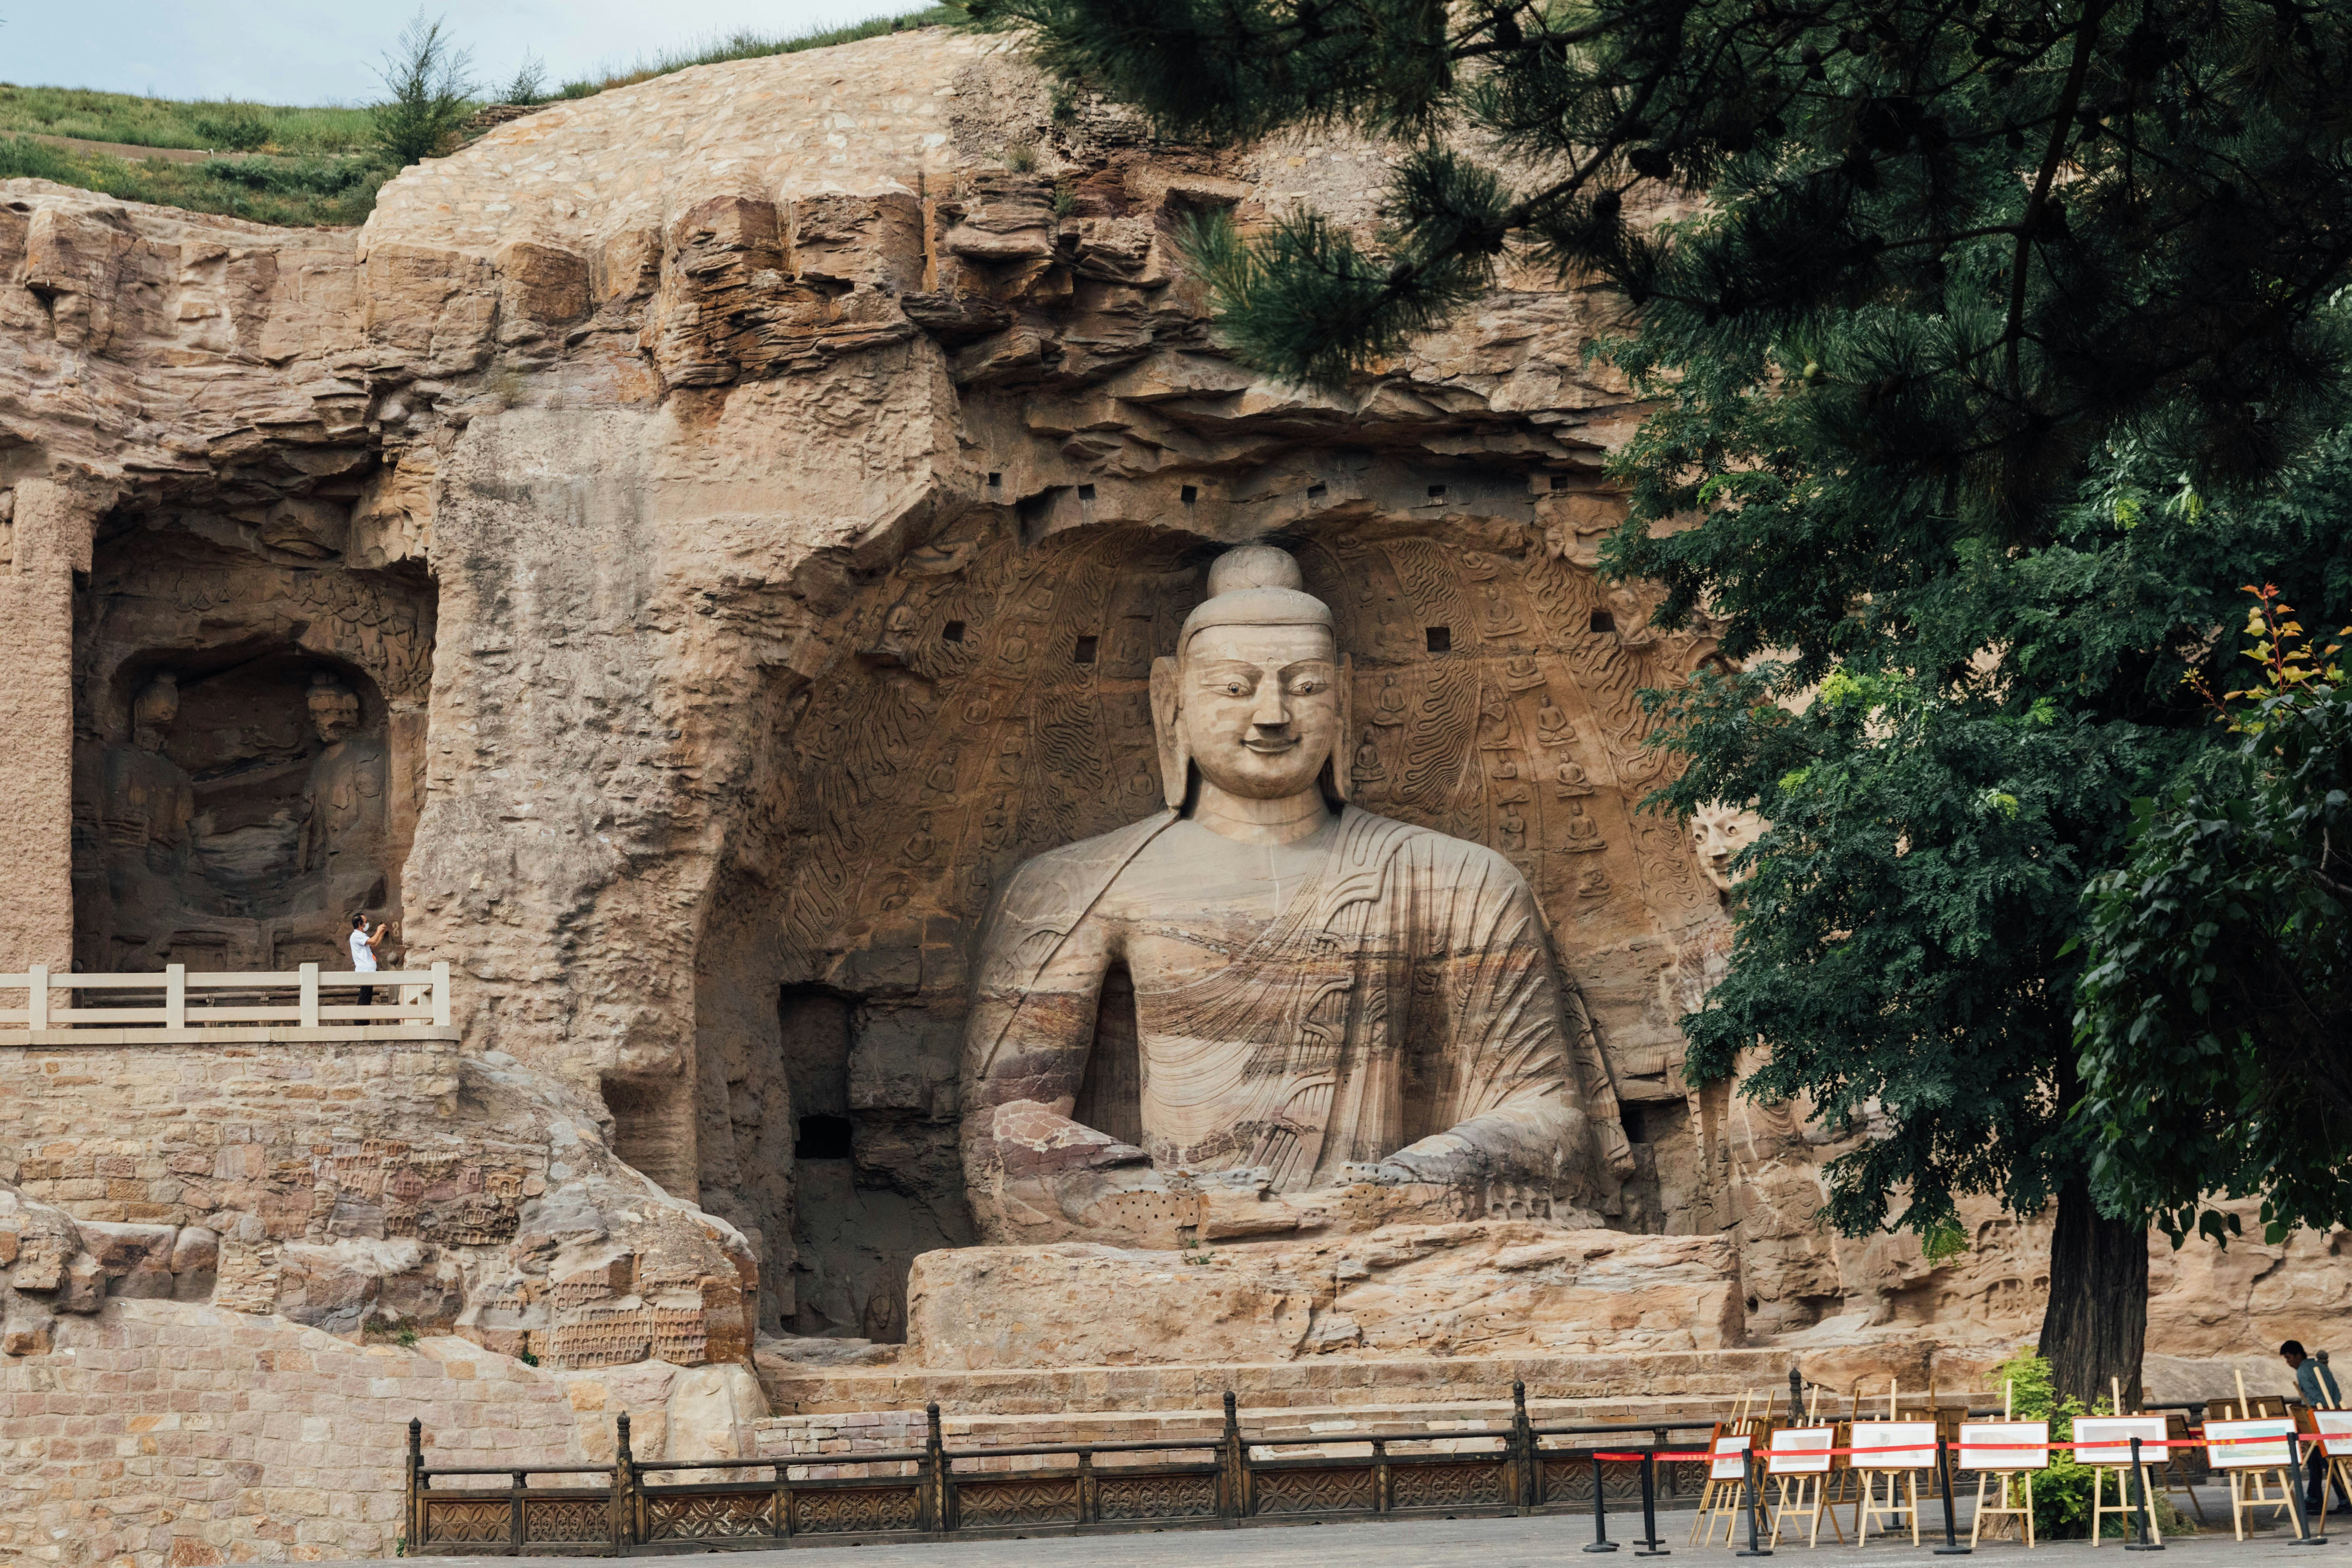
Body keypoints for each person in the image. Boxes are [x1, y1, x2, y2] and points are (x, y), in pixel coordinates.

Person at [2282, 1340, 2350, 1515]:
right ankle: (2315, 1499)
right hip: (2333, 1414)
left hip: (2320, 1417)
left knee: (2327, 1460)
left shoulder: (2304, 1371)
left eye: (2289, 1357)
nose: (2288, 1362)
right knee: (2317, 1459)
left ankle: (2343, 1498)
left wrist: (2309, 1412)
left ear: (2298, 1355)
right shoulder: (2321, 1367)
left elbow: (2315, 1399)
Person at [348, 912, 387, 1008]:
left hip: (368, 971)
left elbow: (374, 946)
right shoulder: (356, 936)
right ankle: (360, 1022)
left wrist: (381, 934)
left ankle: (363, 1021)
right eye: (366, 922)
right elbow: (373, 941)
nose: (367, 924)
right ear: (360, 924)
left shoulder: (363, 936)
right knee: (364, 998)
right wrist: (378, 931)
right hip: (364, 971)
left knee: (367, 997)